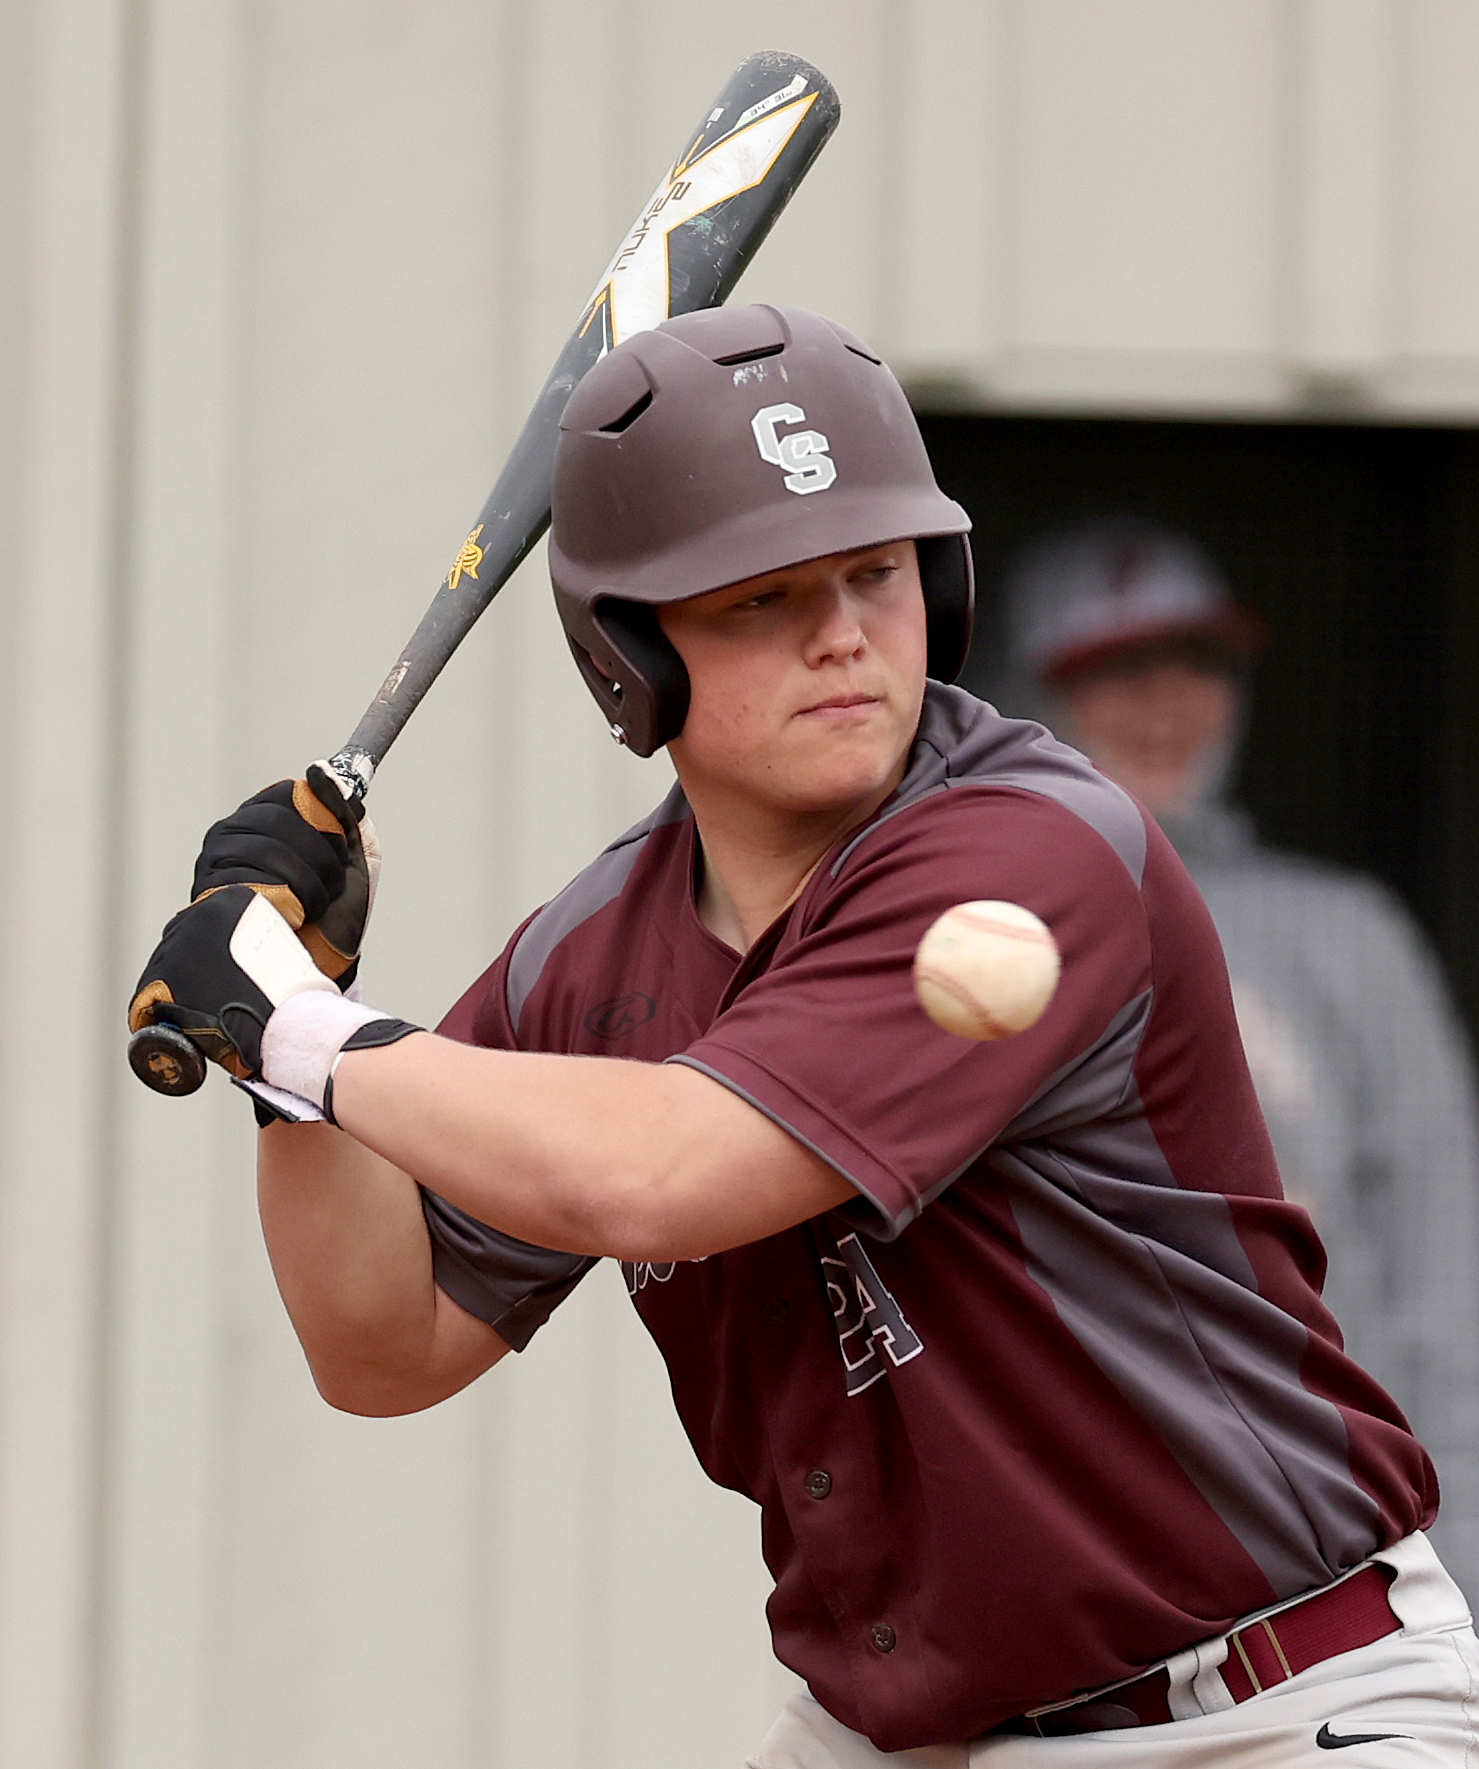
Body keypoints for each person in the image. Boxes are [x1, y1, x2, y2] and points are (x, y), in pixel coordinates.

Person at [130, 308, 1477, 1766]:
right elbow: (382, 1343)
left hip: (1268, 1705)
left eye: (872, 572)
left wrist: (307, 1022)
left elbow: (666, 1172)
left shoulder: (1033, 848)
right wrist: (287, 1069)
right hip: (906, 1731)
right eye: (760, 597)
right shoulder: (589, 962)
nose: (840, 635)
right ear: (629, 654)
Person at [996, 517, 1479, 1601]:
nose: (1166, 706)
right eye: (1114, 671)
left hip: (1342, 1530)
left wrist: (1462, 1566)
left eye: (1198, 665)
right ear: (1022, 693)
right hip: (1083, 1538)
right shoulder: (964, 930)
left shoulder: (1351, 929)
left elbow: (1450, 1268)